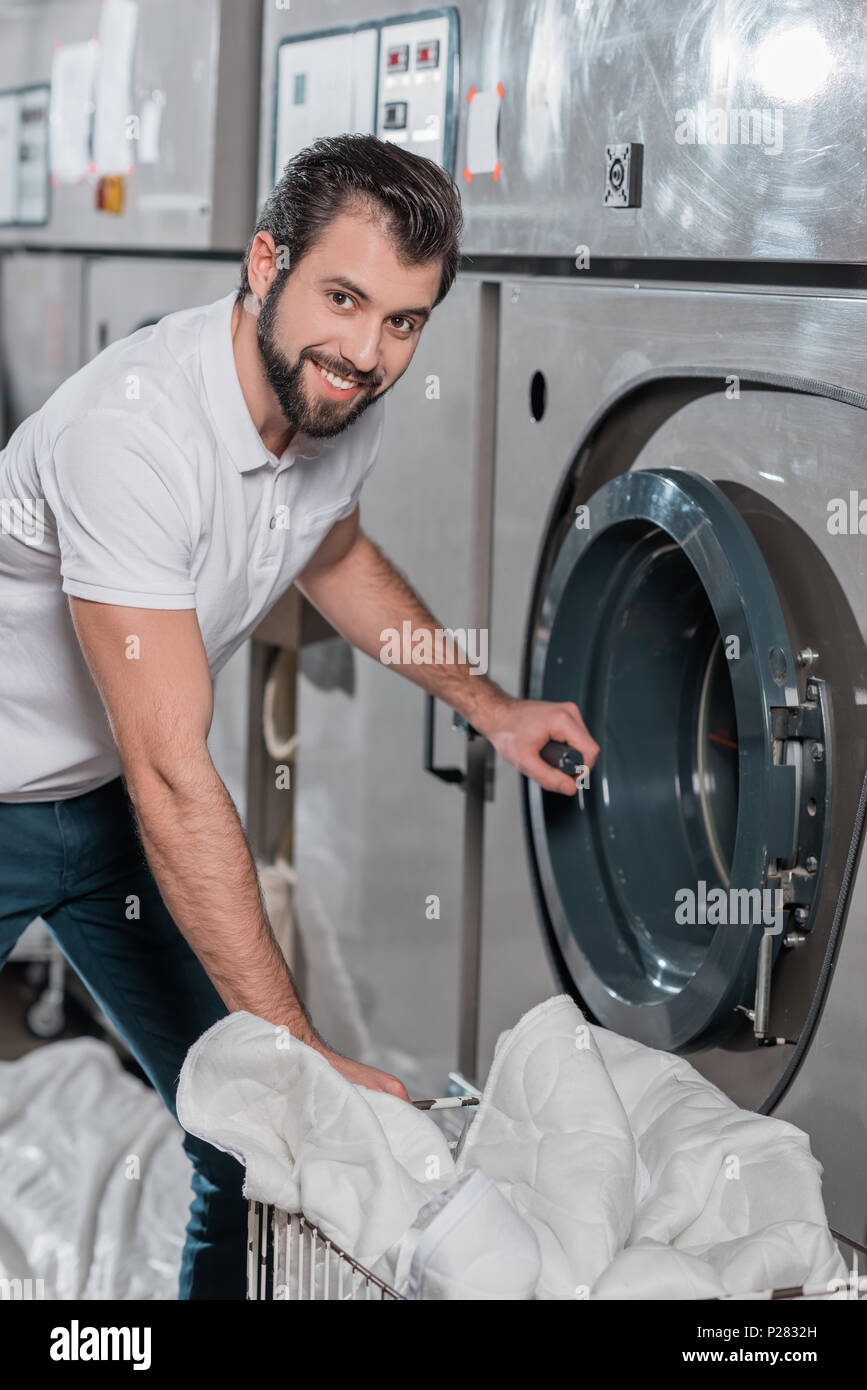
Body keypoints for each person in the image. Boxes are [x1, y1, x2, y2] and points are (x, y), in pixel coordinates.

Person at [0, 134, 598, 1298]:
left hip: (105, 807)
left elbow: (335, 554)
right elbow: (176, 774)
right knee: (286, 1076)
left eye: (403, 322)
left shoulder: (331, 400)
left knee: (250, 1129)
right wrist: (303, 1048)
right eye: (343, 298)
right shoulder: (132, 436)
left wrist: (495, 710)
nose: (367, 353)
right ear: (265, 261)